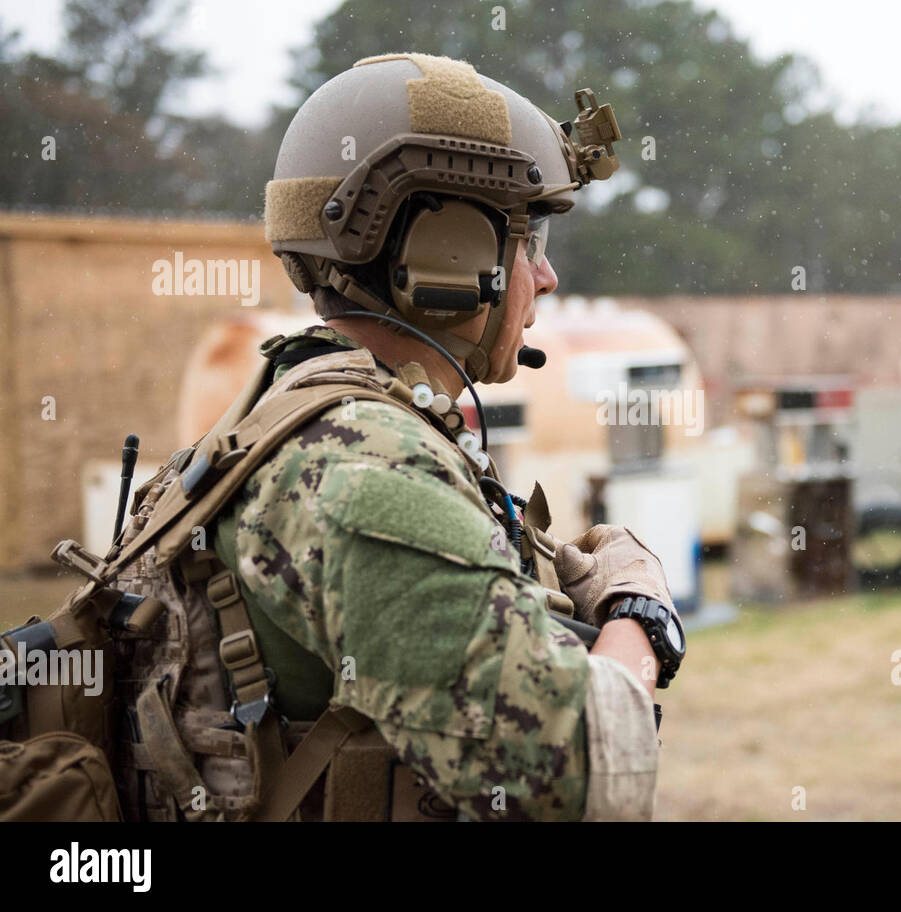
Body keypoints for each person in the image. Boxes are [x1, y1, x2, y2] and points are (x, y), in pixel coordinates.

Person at [98, 53, 685, 823]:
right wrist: (639, 618)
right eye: (530, 239)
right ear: (446, 248)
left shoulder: (285, 410)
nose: (545, 279)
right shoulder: (367, 462)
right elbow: (569, 774)